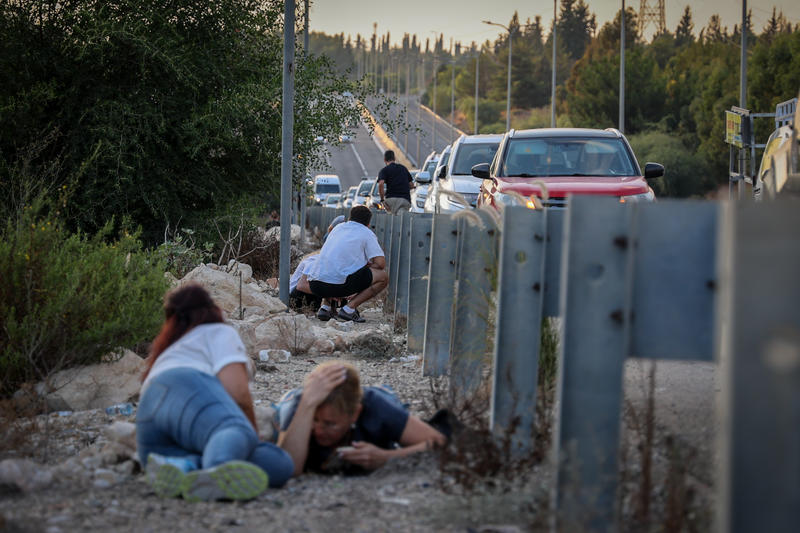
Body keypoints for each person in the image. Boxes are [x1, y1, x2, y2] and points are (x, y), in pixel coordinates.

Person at [136, 284, 294, 501]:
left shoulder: (170, 348)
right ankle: (217, 470)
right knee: (236, 430)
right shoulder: (218, 331)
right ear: (212, 309)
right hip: (185, 385)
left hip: (150, 425)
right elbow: (237, 392)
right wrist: (247, 433)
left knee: (278, 464)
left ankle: (184, 466)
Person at [276, 361, 446, 476]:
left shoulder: (375, 407)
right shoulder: (302, 405)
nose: (319, 430)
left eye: (330, 424)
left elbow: (439, 443)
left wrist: (387, 458)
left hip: (378, 396)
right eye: (315, 421)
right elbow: (289, 468)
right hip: (292, 401)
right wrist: (306, 406)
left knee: (388, 399)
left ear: (355, 414)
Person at [306, 205, 388, 323]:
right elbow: (380, 264)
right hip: (339, 284)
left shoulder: (337, 228)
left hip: (315, 285)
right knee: (383, 277)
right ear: (368, 223)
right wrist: (364, 268)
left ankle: (326, 307)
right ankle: (349, 309)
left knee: (333, 267)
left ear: (350, 218)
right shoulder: (366, 233)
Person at [377, 149, 415, 214]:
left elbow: (381, 184)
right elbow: (411, 185)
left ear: (385, 160)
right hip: (404, 199)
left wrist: (382, 199)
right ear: (394, 158)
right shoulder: (403, 168)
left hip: (391, 199)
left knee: (391, 219)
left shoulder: (384, 170)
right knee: (402, 219)